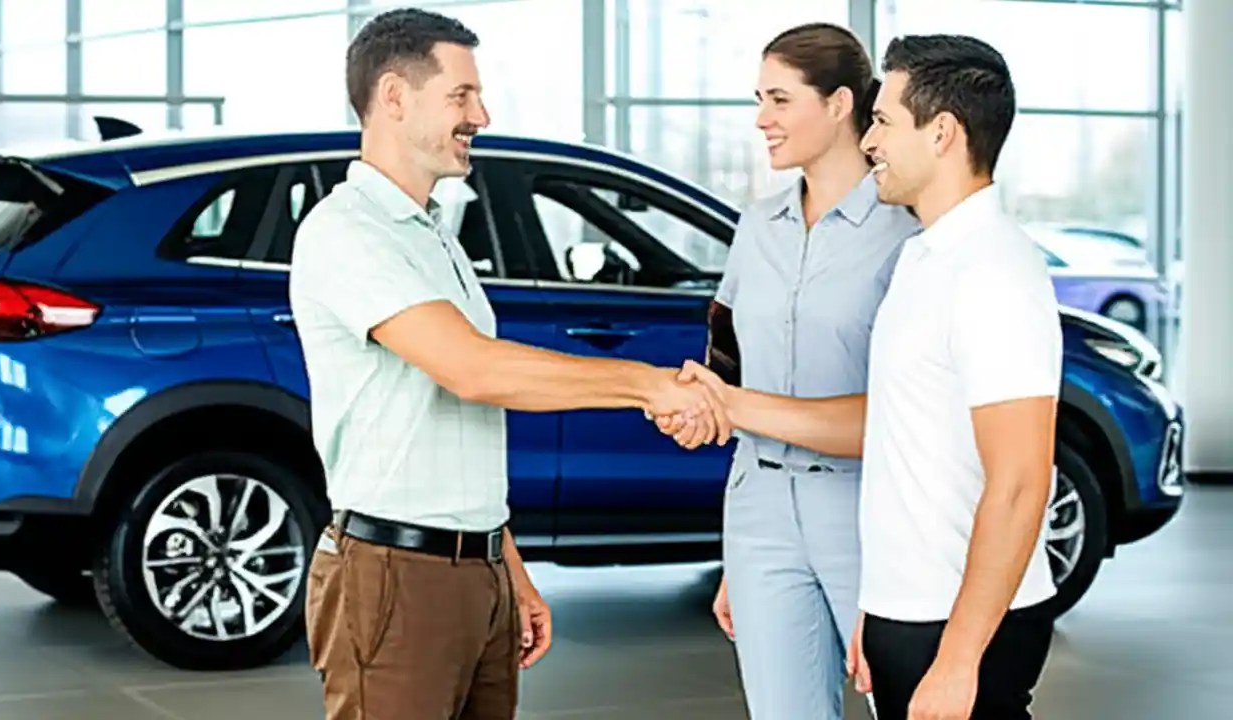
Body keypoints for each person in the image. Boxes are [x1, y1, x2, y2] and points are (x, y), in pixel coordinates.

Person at [291, 9, 729, 719]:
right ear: (396, 97)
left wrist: (507, 567)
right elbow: (474, 371)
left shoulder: (434, 236)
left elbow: (460, 427)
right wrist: (646, 385)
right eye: (461, 96)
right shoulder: (347, 233)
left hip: (478, 571)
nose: (481, 114)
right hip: (397, 577)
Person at [664, 33, 1062, 720]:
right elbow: (904, 436)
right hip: (884, 584)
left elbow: (1023, 480)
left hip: (937, 600)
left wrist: (960, 658)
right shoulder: (925, 260)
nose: (873, 140)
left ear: (941, 133)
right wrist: (876, 602)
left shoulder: (989, 268)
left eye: (884, 120)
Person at [668, 22, 919, 720]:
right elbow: (729, 367)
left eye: (779, 99)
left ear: (839, 104)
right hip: (758, 510)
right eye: (759, 99)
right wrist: (737, 553)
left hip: (866, 509)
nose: (762, 119)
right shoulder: (757, 226)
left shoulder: (908, 233)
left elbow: (909, 410)